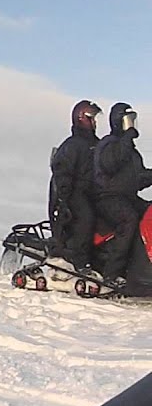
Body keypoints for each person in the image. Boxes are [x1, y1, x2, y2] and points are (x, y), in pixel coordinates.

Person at [93, 103, 152, 286]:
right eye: (129, 119)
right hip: (109, 197)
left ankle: (142, 265)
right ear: (119, 120)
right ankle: (112, 274)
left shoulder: (132, 152)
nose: (132, 124)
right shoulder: (108, 143)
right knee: (129, 220)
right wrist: (126, 138)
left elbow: (139, 178)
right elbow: (111, 164)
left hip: (128, 197)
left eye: (134, 119)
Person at [48, 100, 101, 274]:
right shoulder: (73, 144)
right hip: (74, 192)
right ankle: (79, 260)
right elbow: (62, 170)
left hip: (93, 191)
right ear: (81, 118)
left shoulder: (97, 144)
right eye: (91, 118)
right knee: (86, 218)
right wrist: (63, 198)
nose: (95, 122)